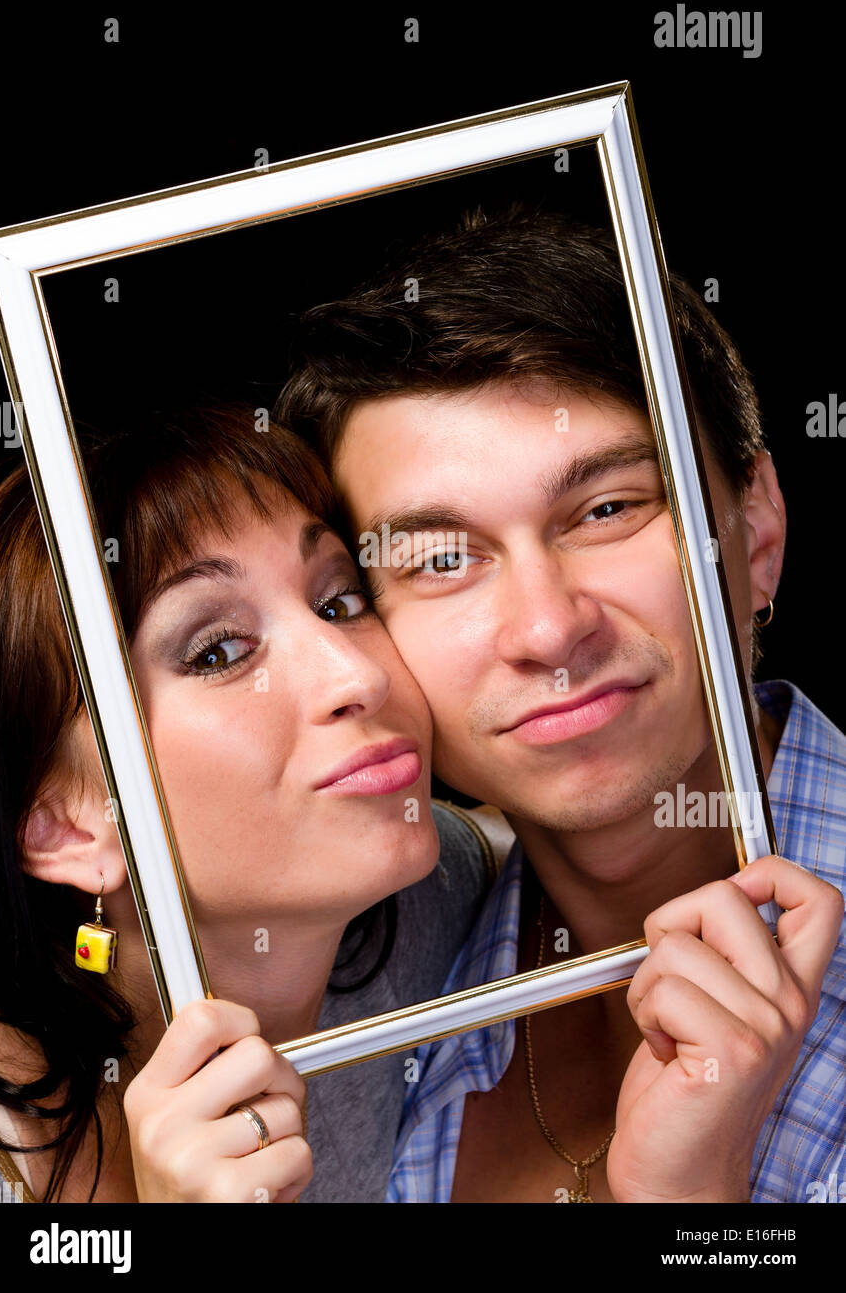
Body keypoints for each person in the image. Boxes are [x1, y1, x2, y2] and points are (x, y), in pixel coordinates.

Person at [275, 202, 846, 1202]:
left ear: (754, 534)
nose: (545, 629)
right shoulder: (393, 976)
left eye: (607, 509)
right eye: (441, 559)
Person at [0, 401, 493, 1203]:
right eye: (217, 651)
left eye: (339, 602)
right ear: (65, 826)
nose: (359, 677)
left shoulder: (447, 902)